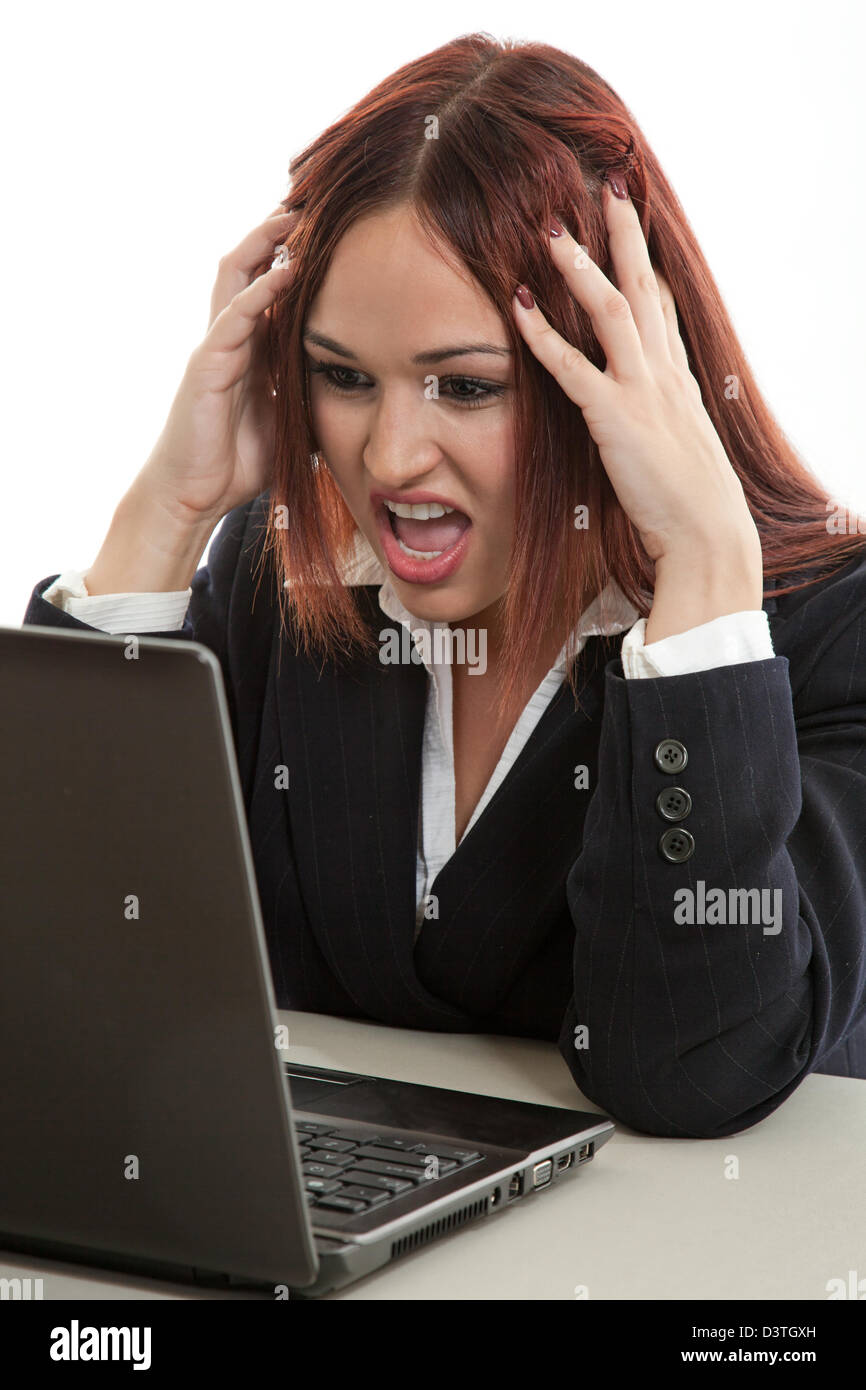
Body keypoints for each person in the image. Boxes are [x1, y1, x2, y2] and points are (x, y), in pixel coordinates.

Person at [23, 33, 866, 1139]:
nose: (388, 457)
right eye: (341, 378)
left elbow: (692, 1070)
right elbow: (61, 998)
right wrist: (161, 519)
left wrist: (703, 573)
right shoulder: (282, 585)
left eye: (464, 387)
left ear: (622, 372)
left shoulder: (817, 634)